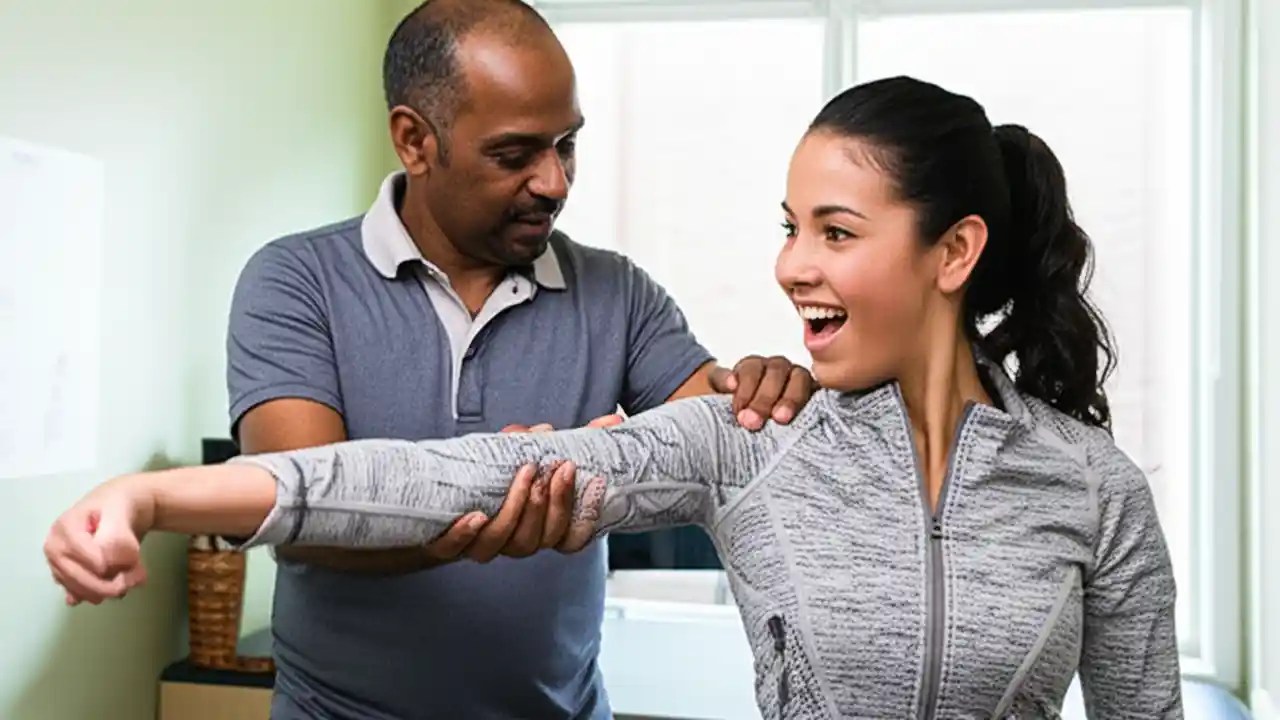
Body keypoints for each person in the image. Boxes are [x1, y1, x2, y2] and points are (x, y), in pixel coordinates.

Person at [46, 75, 1183, 718]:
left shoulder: (1091, 488)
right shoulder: (751, 442)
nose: (791, 267)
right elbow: (429, 472)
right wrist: (151, 497)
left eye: (835, 233)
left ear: (953, 252)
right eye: (788, 230)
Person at [213, 0, 816, 717]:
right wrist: (482, 512)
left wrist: (761, 396)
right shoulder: (295, 281)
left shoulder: (616, 293)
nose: (555, 181)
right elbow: (303, 506)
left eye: (567, 144)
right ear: (414, 141)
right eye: (515, 154)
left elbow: (716, 444)